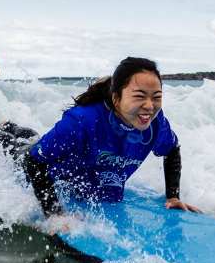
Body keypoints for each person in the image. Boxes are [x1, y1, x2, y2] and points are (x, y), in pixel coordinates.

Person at [22, 56, 200, 217]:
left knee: (34, 138)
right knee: (17, 145)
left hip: (92, 189)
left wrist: (173, 196)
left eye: (157, 97)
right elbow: (33, 161)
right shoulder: (83, 120)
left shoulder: (156, 124)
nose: (149, 106)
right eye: (139, 96)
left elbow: (172, 149)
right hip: (36, 168)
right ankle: (4, 128)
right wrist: (55, 214)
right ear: (116, 99)